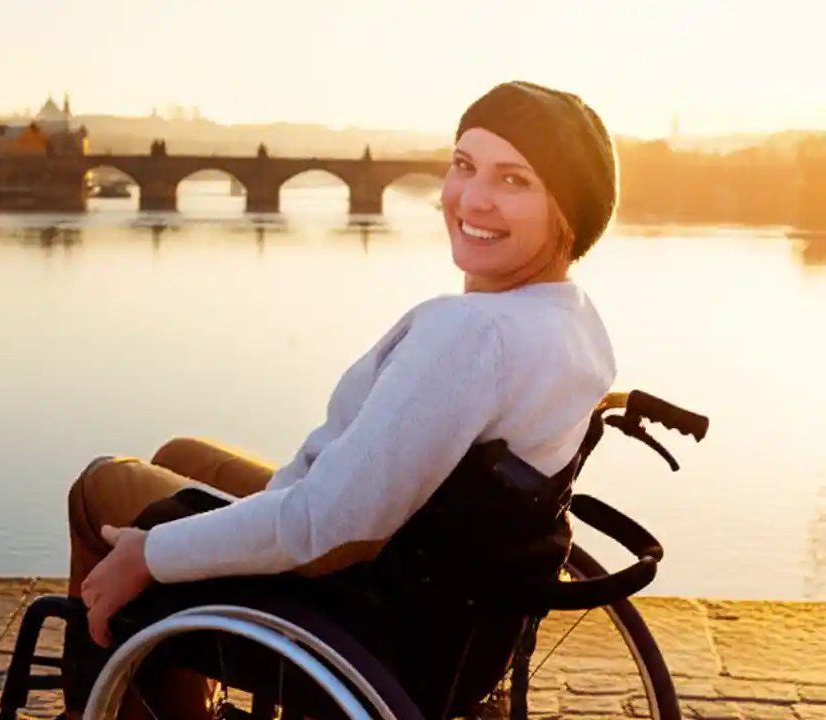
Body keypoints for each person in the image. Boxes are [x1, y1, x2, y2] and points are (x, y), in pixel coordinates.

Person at [66, 80, 620, 720]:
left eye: (515, 180)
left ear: (568, 210)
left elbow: (324, 530)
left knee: (103, 488)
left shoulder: (470, 336)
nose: (473, 197)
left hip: (353, 602)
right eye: (464, 165)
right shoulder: (575, 324)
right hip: (430, 585)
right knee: (180, 454)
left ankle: (130, 696)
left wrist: (151, 554)